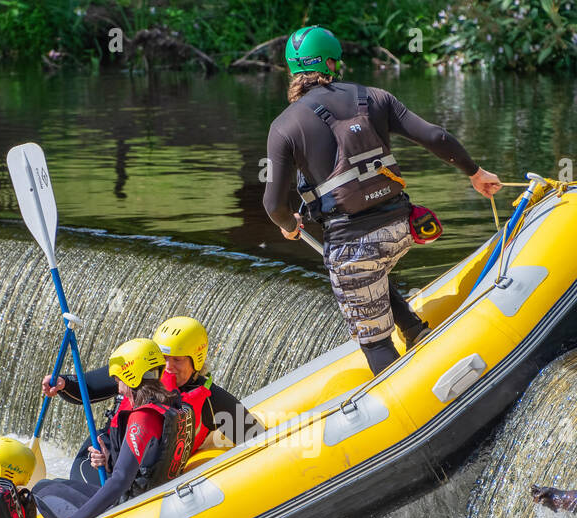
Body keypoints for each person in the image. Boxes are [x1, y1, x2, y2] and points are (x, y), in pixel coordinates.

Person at [262, 25, 503, 374]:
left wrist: (288, 225)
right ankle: (415, 330)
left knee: (373, 336)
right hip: (402, 228)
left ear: (293, 71)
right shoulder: (375, 96)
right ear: (331, 63)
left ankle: (409, 399)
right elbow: (435, 136)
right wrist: (475, 173)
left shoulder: (283, 127)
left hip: (351, 246)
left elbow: (273, 206)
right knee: (370, 270)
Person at [42, 316, 262, 483]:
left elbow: (255, 437)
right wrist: (64, 383)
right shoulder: (138, 370)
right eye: (164, 358)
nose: (168, 367)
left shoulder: (211, 400)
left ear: (196, 360)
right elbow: (86, 388)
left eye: (177, 360)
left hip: (140, 476)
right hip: (99, 457)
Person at [32, 338, 195, 518]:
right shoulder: (174, 404)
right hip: (152, 501)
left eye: (118, 380)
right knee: (52, 483)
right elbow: (151, 463)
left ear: (131, 376)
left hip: (128, 513)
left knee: (41, 491)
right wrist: (109, 459)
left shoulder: (143, 417)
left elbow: (120, 479)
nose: (117, 388)